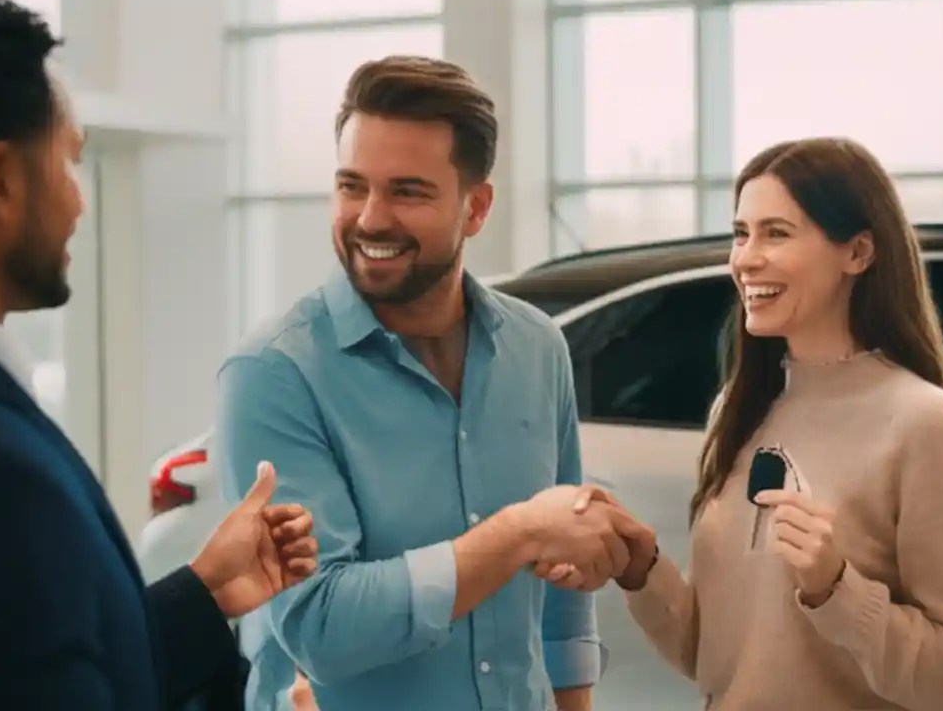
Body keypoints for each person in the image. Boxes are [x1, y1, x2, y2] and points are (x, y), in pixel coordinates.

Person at [0, 0, 319, 708]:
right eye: (69, 162)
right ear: (0, 181)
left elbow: (12, 662)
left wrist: (205, 595)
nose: (79, 202)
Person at [214, 55, 634, 711]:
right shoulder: (273, 375)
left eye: (407, 191)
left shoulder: (537, 349)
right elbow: (321, 627)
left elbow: (563, 600)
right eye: (353, 186)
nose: (371, 219)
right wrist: (516, 532)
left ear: (477, 207)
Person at [544, 137, 943, 710]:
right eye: (741, 234)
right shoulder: (738, 410)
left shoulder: (928, 426)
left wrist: (836, 588)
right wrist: (642, 568)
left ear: (857, 253)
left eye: (776, 233)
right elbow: (712, 659)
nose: (745, 258)